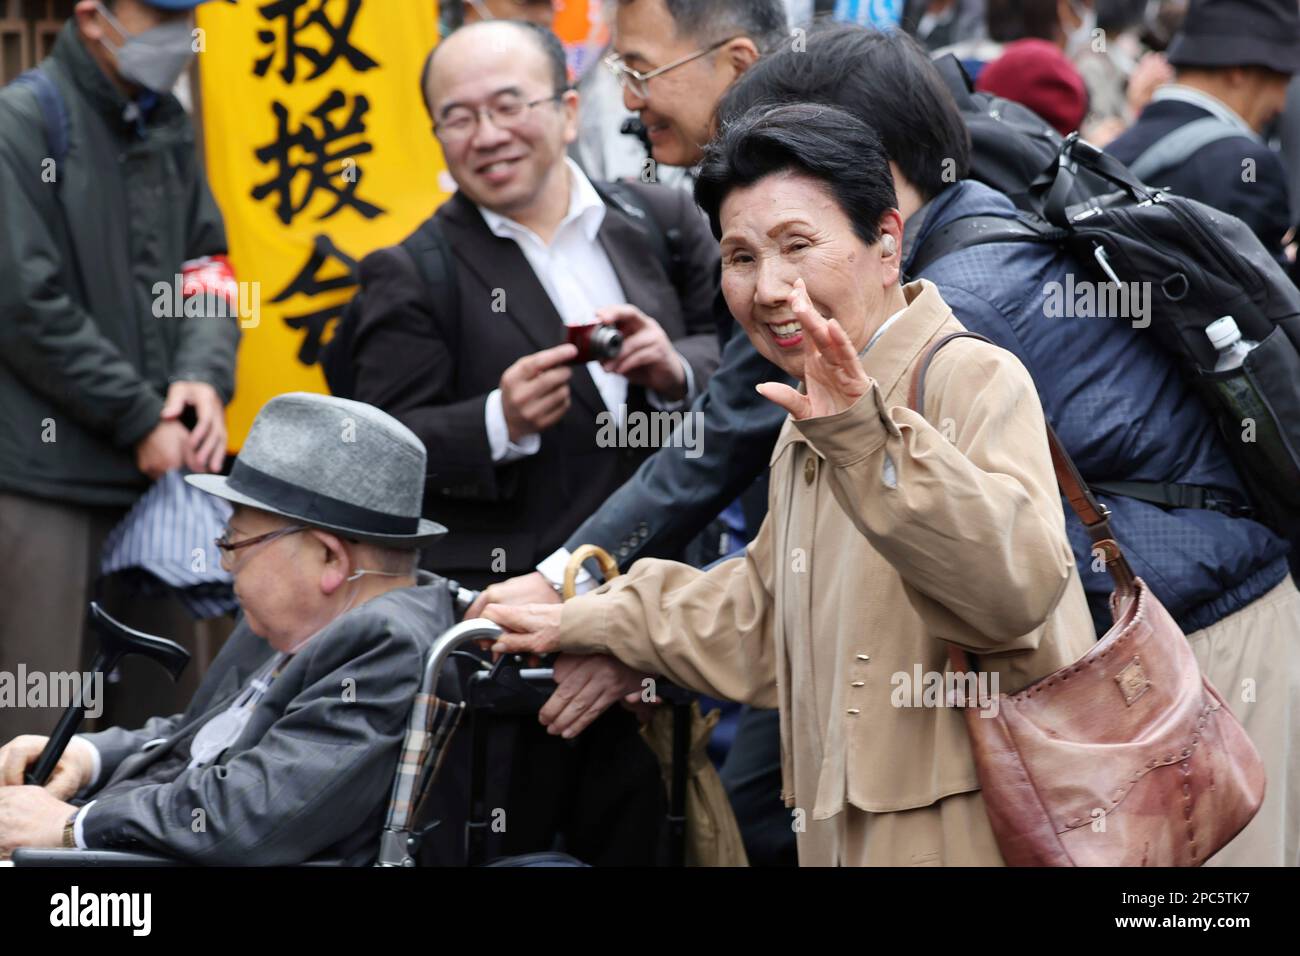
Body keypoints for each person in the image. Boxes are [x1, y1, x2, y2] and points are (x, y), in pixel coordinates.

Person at [486, 102, 1098, 865]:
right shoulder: (810, 409)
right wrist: (597, 622)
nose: (769, 287)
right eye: (741, 257)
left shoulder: (969, 376)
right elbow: (766, 616)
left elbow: (1015, 594)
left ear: (887, 243)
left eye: (797, 246)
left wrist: (865, 440)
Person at [353, 19, 721, 865]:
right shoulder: (414, 270)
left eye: (509, 105)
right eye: (458, 116)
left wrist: (675, 368)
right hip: (510, 655)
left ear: (566, 109)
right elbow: (377, 452)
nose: (487, 134)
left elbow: (739, 357)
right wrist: (495, 421)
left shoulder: (662, 220)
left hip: (658, 626)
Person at [0, 393, 451, 865]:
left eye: (233, 541)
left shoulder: (384, 645)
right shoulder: (296, 619)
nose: (223, 563)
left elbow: (250, 811)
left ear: (329, 558)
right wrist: (87, 756)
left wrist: (73, 826)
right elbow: (198, 734)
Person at [0, 0, 238, 743]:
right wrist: (138, 416)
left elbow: (208, 265)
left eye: (187, 17)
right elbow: (22, 303)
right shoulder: (22, 121)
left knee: (168, 726)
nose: (179, 36)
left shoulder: (169, 123)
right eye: (160, 18)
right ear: (93, 19)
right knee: (37, 730)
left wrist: (203, 375)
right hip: (48, 481)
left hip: (164, 480)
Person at [1106, 0, 1298, 263]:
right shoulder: (1250, 167)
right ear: (1238, 69)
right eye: (1282, 80)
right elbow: (1262, 287)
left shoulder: (1111, 153)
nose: (1281, 103)